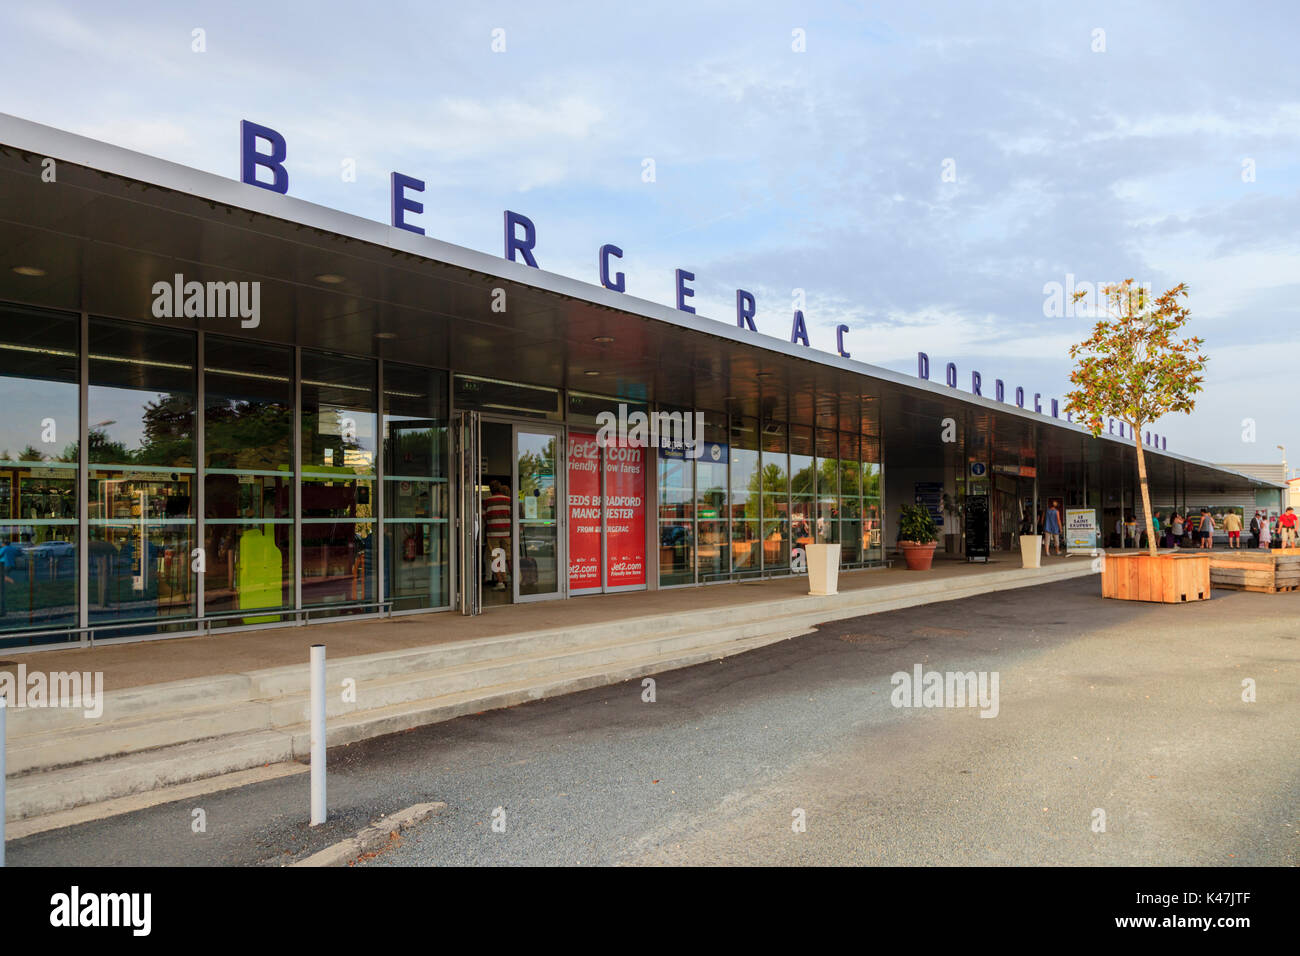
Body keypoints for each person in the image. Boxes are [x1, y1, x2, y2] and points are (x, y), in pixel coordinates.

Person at [483, 480, 512, 590]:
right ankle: (511, 580)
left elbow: (484, 516)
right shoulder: (508, 500)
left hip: (493, 533)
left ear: (490, 489)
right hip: (506, 532)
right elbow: (512, 515)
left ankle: (500, 582)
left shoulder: (487, 501)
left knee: (496, 558)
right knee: (508, 557)